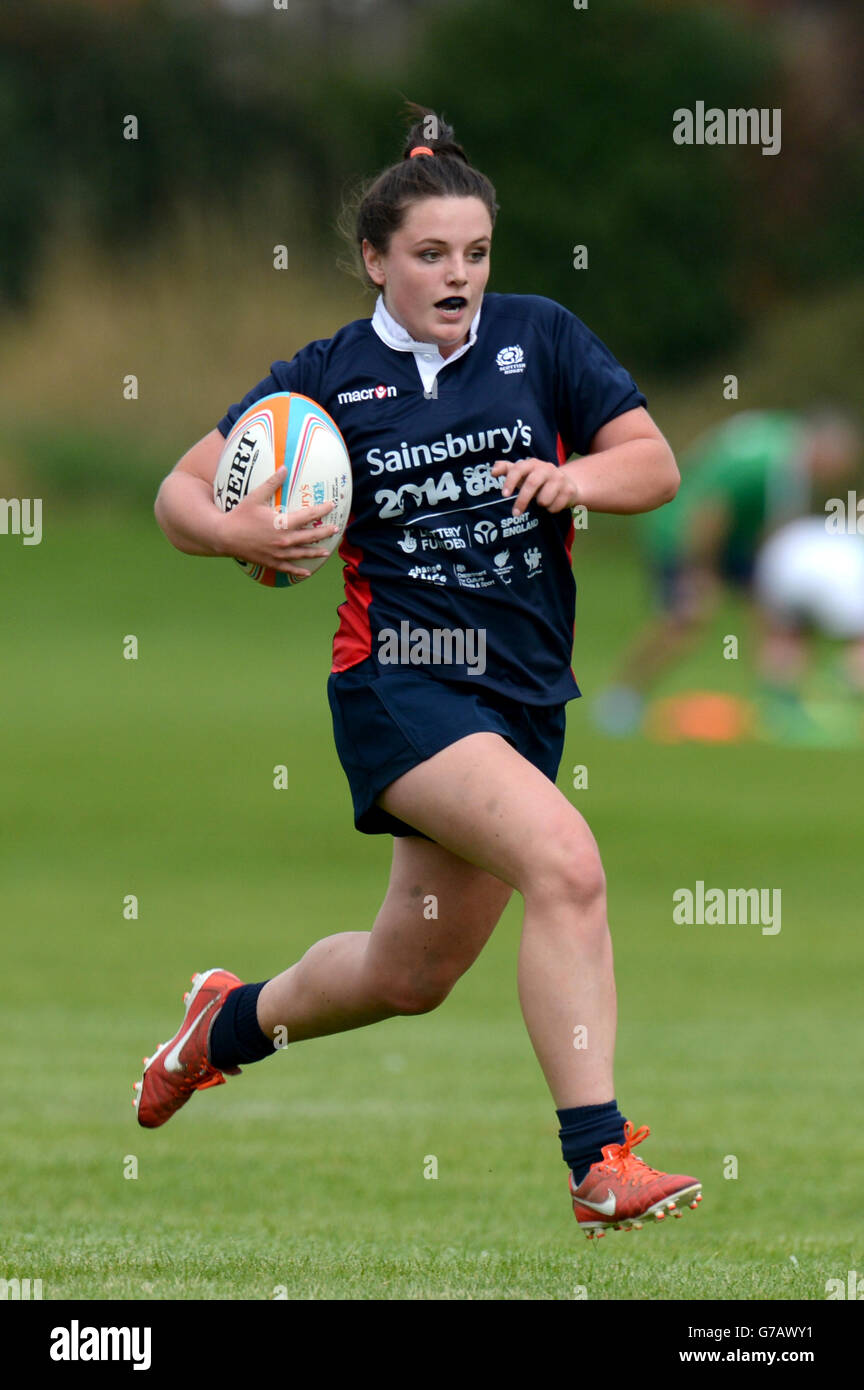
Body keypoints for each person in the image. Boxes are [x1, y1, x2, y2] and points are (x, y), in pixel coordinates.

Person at [136, 105, 702, 1239]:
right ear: (375, 259)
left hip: (523, 694)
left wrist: (576, 481)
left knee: (410, 973)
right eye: (432, 254)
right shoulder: (328, 379)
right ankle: (600, 1161)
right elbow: (178, 492)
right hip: (401, 680)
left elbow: (653, 463)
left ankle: (223, 1023)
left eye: (477, 253)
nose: (458, 276)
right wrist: (239, 533)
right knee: (567, 861)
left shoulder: (541, 339)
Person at [593, 408, 861, 735]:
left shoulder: (786, 446)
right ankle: (623, 697)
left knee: (772, 612)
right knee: (685, 618)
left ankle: (780, 703)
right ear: (823, 451)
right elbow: (710, 512)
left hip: (734, 540)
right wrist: (700, 571)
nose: (832, 477)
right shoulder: (764, 466)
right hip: (685, 536)